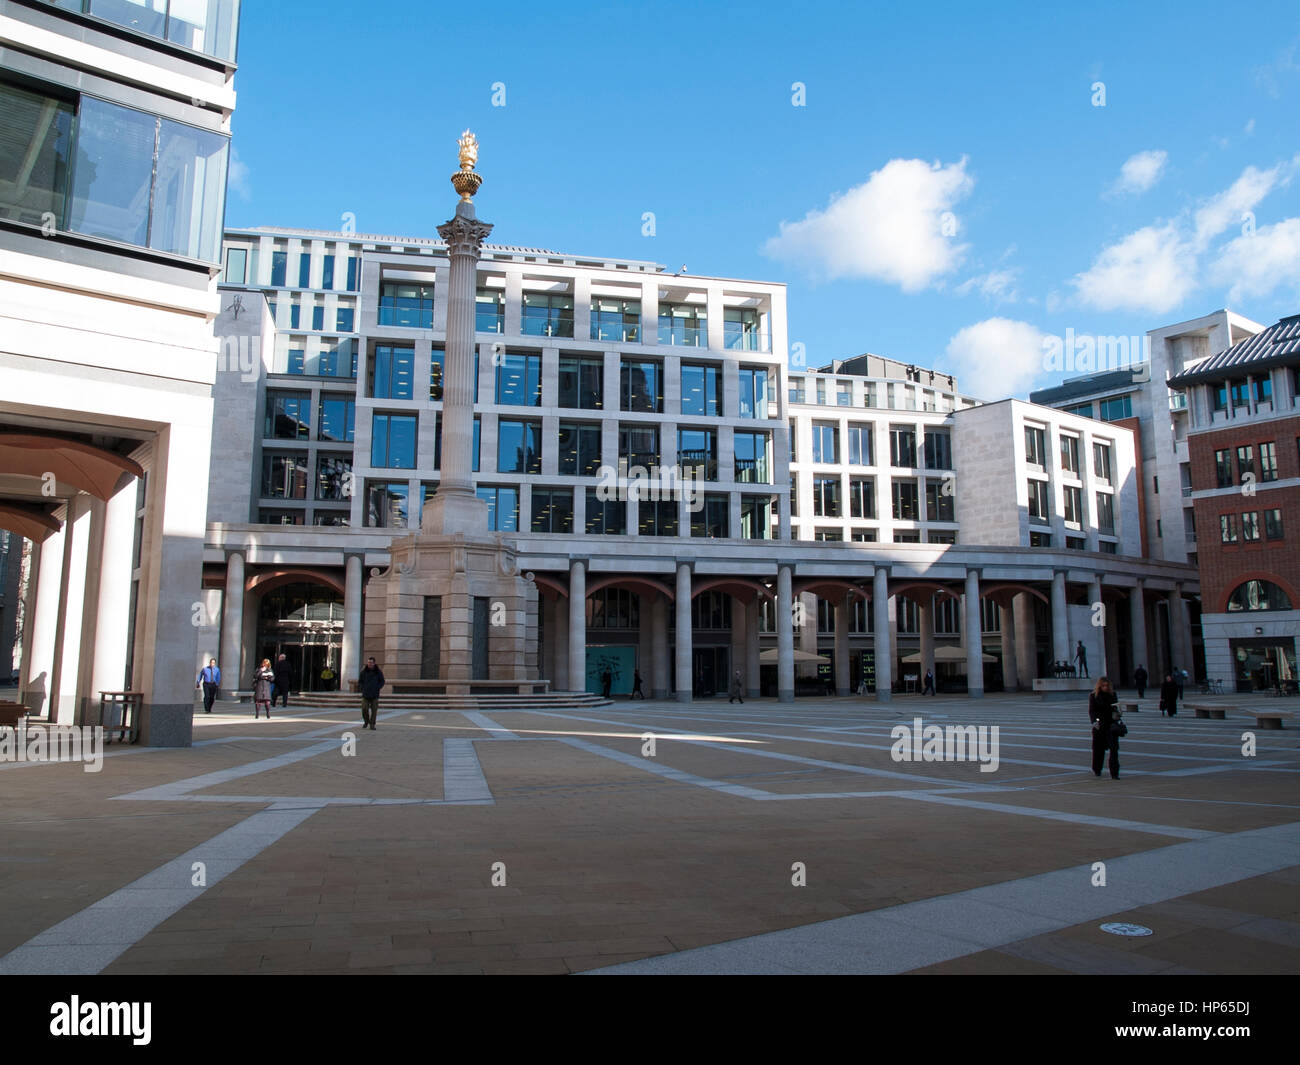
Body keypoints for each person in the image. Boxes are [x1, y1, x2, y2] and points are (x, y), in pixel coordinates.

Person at [1088, 676, 1121, 779]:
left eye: (1107, 685)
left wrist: (1117, 715)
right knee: (1098, 750)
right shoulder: (1094, 696)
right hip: (1099, 726)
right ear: (1099, 686)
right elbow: (1092, 711)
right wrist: (1094, 721)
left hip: (1111, 726)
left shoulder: (1112, 695)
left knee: (1114, 749)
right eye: (1103, 685)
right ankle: (1097, 769)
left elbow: (1116, 708)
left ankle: (1114, 773)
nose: (1105, 687)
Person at [359, 656, 385, 730]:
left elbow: (382, 681)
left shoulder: (378, 672)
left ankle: (372, 724)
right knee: (364, 709)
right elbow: (360, 681)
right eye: (368, 662)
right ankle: (366, 721)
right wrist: (362, 688)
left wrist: (378, 687)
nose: (369, 664)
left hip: (375, 694)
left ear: (374, 663)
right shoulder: (363, 672)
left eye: (371, 662)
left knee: (374, 710)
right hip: (365, 694)